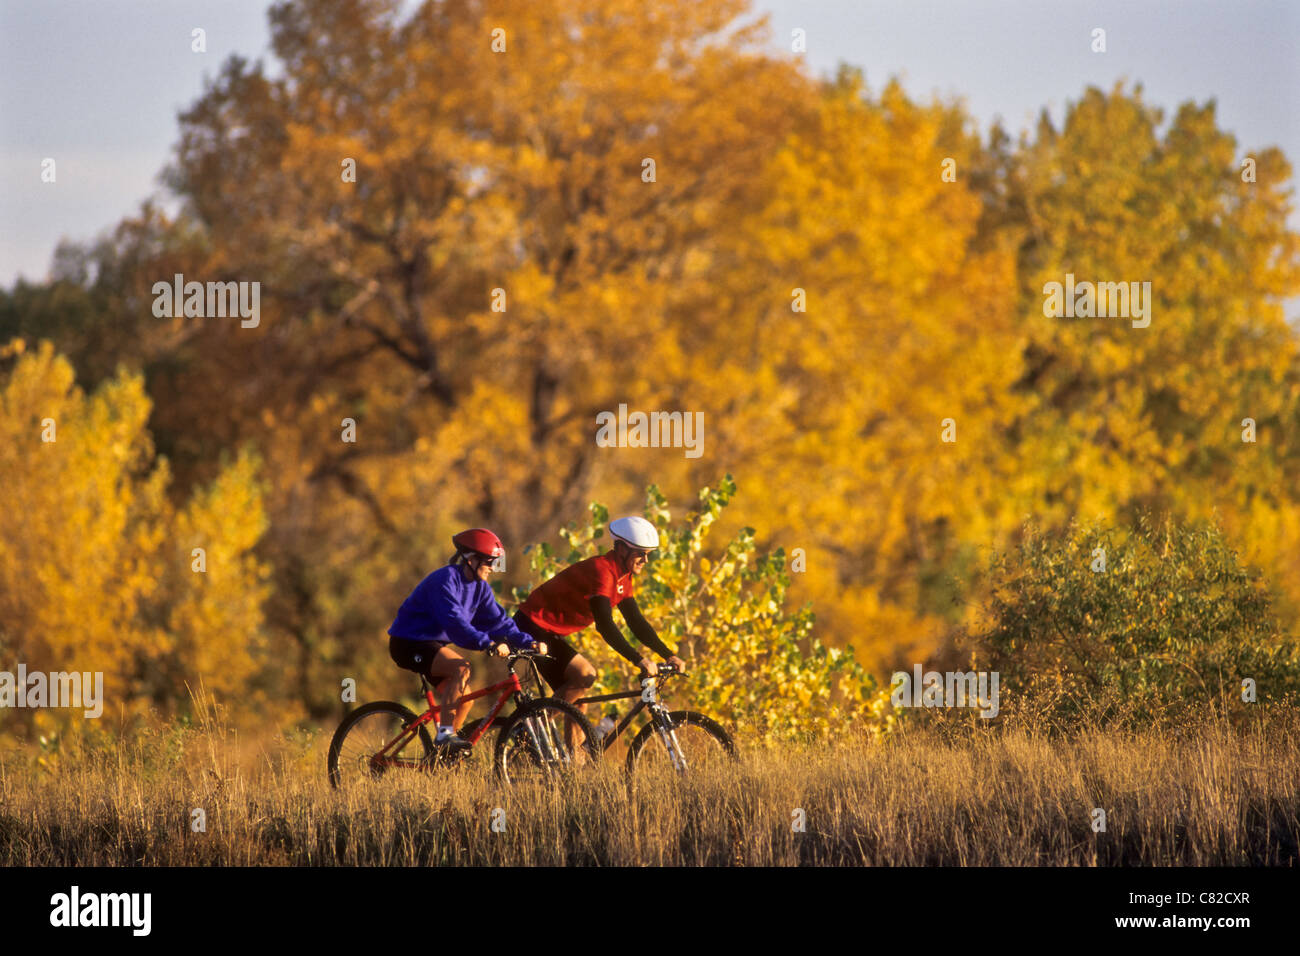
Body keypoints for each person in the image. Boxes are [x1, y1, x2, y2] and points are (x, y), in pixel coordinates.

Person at [514, 515, 686, 717]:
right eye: (640, 553)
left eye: (649, 554)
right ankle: (530, 734)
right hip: (531, 625)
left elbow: (636, 622)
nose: (645, 560)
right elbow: (604, 625)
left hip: (550, 631)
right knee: (585, 675)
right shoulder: (603, 571)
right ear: (621, 548)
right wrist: (638, 660)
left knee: (577, 701)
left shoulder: (623, 576)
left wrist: (668, 654)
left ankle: (572, 750)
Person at [388, 528, 544, 750]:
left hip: (432, 644)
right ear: (472, 559)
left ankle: (445, 753)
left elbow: (499, 622)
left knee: (465, 698)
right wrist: (487, 643)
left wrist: (528, 642)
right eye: (490, 562)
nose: (493, 568)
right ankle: (445, 735)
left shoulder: (480, 588)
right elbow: (455, 623)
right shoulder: (445, 581)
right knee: (461, 669)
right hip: (409, 642)